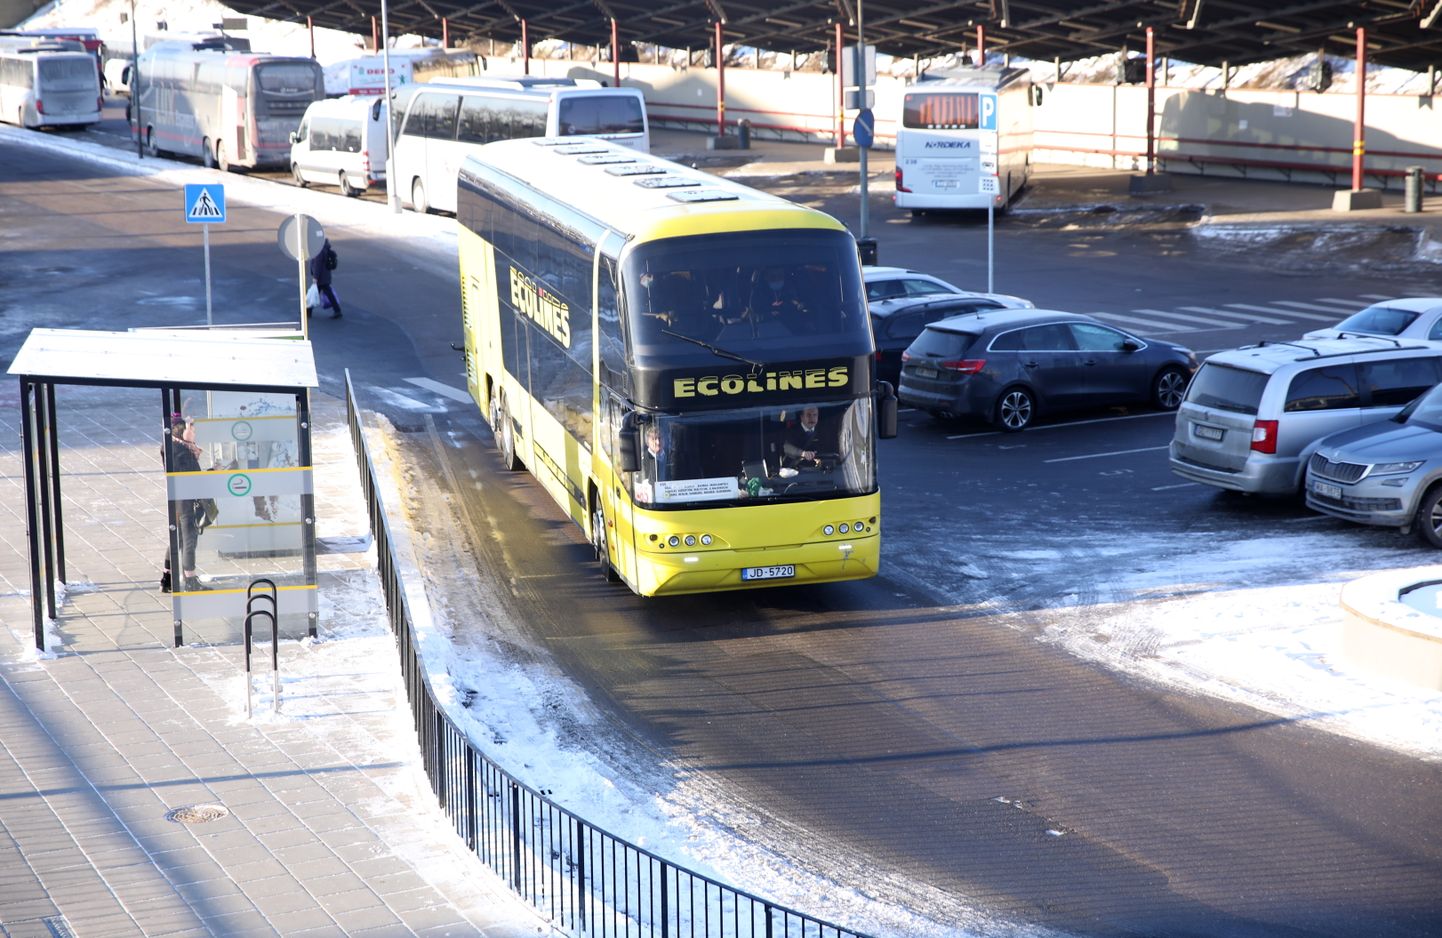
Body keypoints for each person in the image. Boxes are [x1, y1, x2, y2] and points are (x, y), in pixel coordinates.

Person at [160, 414, 204, 593]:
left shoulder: (176, 447)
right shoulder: (180, 451)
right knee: (188, 539)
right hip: (185, 501)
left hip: (179, 499)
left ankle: (167, 578)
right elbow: (193, 477)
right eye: (191, 429)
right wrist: (211, 473)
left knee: (177, 538)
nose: (194, 432)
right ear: (181, 431)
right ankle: (191, 580)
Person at [307, 238, 342, 319]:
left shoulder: (318, 251)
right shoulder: (324, 248)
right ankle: (308, 311)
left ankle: (308, 311)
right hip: (325, 276)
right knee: (319, 293)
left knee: (314, 293)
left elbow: (317, 265)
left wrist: (315, 277)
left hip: (321, 277)